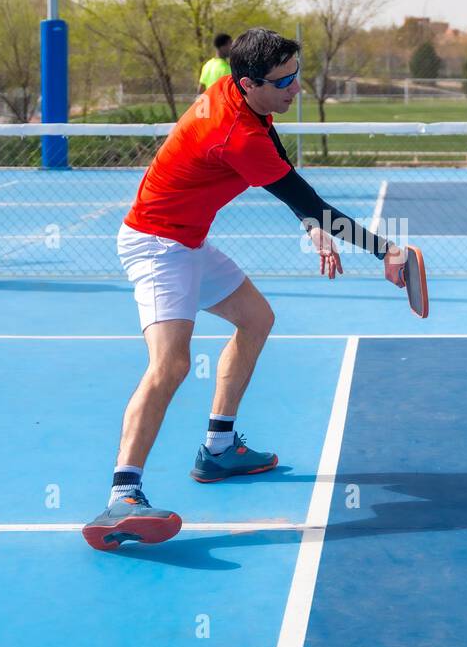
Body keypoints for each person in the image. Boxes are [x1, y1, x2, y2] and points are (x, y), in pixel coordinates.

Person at [83, 28, 407, 551]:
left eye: (299, 74)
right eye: (284, 81)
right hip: (157, 247)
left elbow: (289, 176)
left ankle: (219, 447)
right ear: (249, 82)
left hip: (187, 240)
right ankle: (122, 495)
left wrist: (310, 221)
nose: (295, 87)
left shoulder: (245, 100)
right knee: (171, 365)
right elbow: (303, 194)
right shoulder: (234, 133)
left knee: (257, 320)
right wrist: (383, 250)